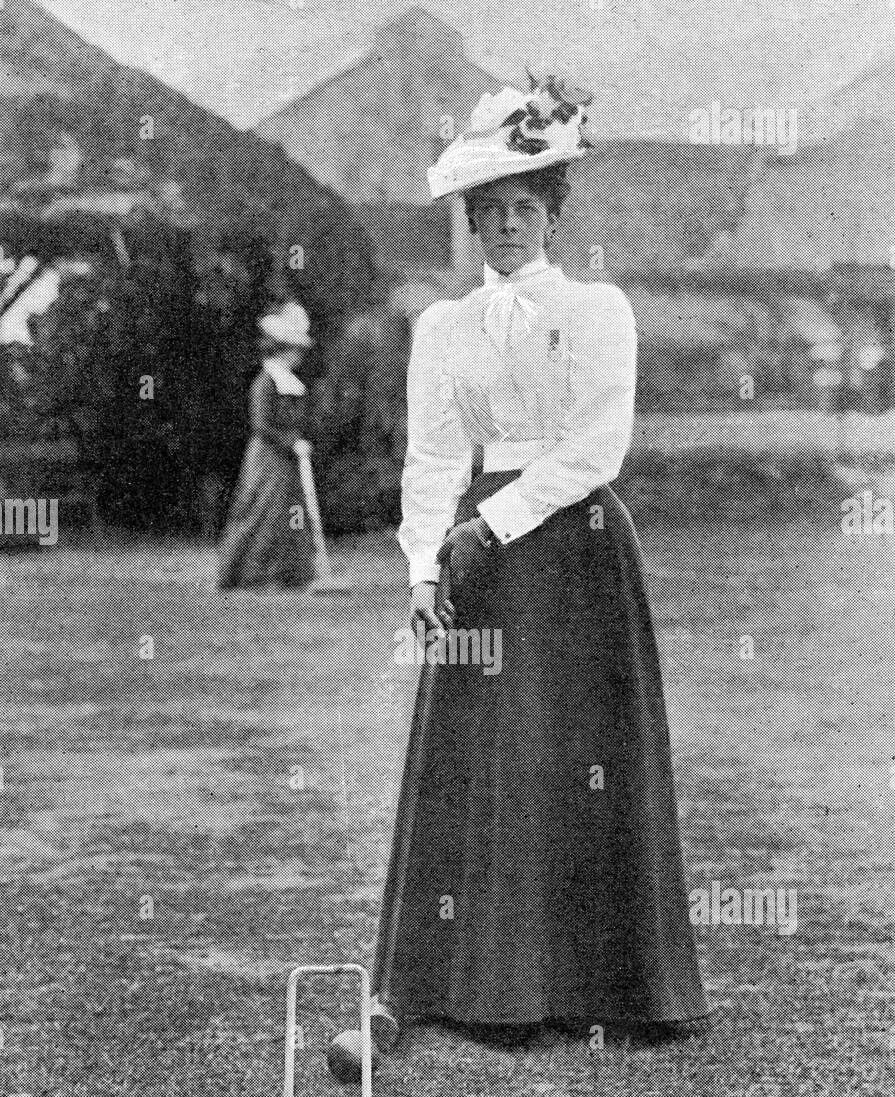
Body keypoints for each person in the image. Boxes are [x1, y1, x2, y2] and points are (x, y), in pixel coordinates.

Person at [370, 78, 709, 1047]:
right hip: (479, 552)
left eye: (527, 208)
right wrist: (425, 571)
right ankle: (481, 988)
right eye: (492, 212)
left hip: (580, 548)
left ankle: (604, 985)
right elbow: (433, 457)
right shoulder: (445, 330)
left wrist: (492, 525)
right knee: (487, 759)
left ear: (553, 216)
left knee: (582, 754)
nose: (509, 226)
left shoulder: (599, 311)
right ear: (473, 223)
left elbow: (596, 449)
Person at [217, 302, 317, 590]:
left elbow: (295, 419)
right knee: (264, 511)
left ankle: (290, 574)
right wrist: (290, 442)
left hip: (289, 457)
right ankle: (253, 574)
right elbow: (261, 424)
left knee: (292, 513)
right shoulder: (265, 382)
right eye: (296, 349)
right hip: (267, 458)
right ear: (284, 348)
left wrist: (300, 440)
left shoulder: (290, 381)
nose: (299, 355)